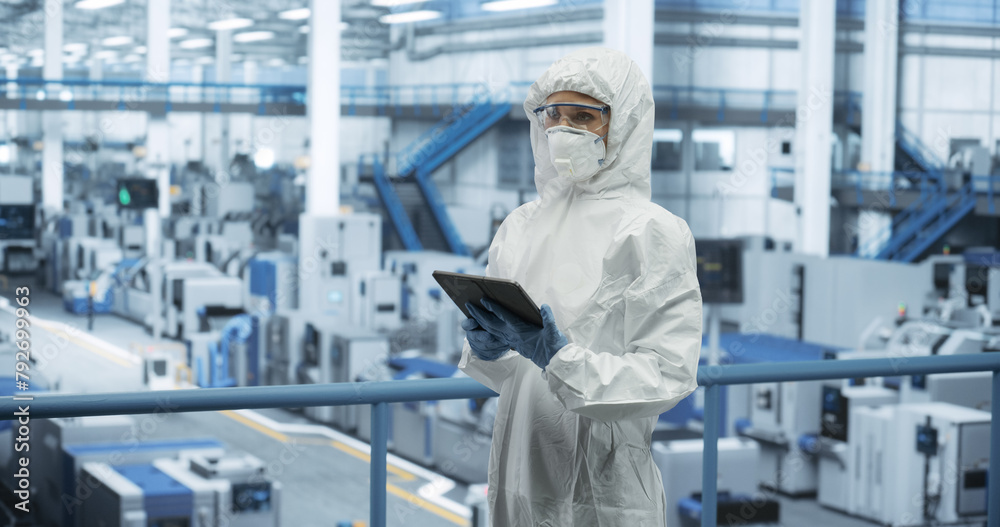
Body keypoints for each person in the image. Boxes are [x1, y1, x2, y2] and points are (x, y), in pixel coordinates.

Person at [458, 47, 703, 526]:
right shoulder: (520, 226)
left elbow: (668, 374)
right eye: (553, 115)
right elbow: (510, 375)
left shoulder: (652, 232)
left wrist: (559, 359)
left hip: (602, 488)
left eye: (583, 117)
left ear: (623, 124)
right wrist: (489, 347)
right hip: (518, 475)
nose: (562, 130)